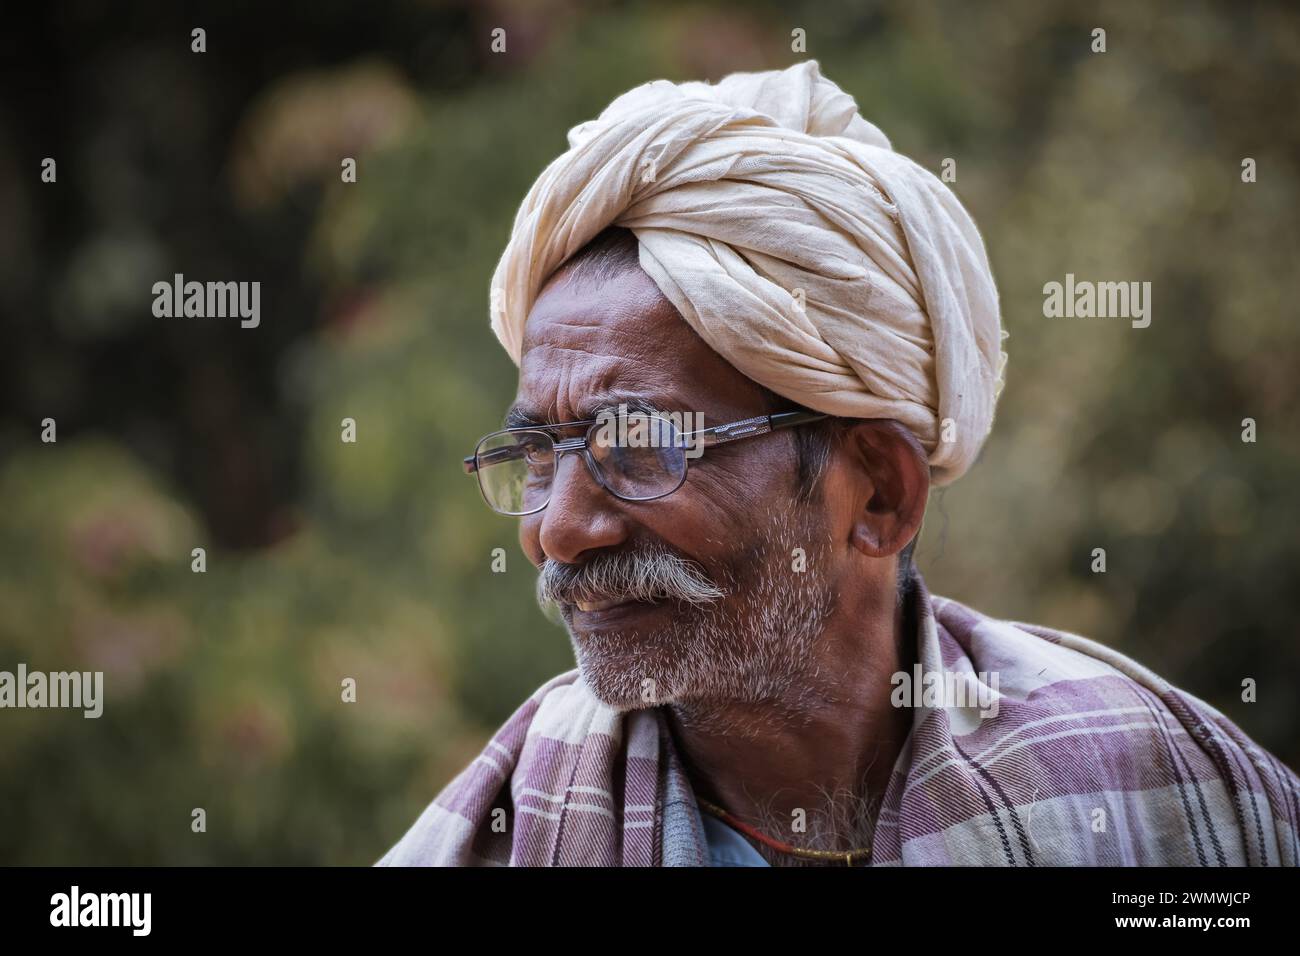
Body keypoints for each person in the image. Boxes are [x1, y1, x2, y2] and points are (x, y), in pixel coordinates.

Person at [378, 62, 1298, 866]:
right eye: (539, 456)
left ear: (880, 494)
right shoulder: (494, 842)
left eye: (642, 446)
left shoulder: (1166, 802)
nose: (558, 529)